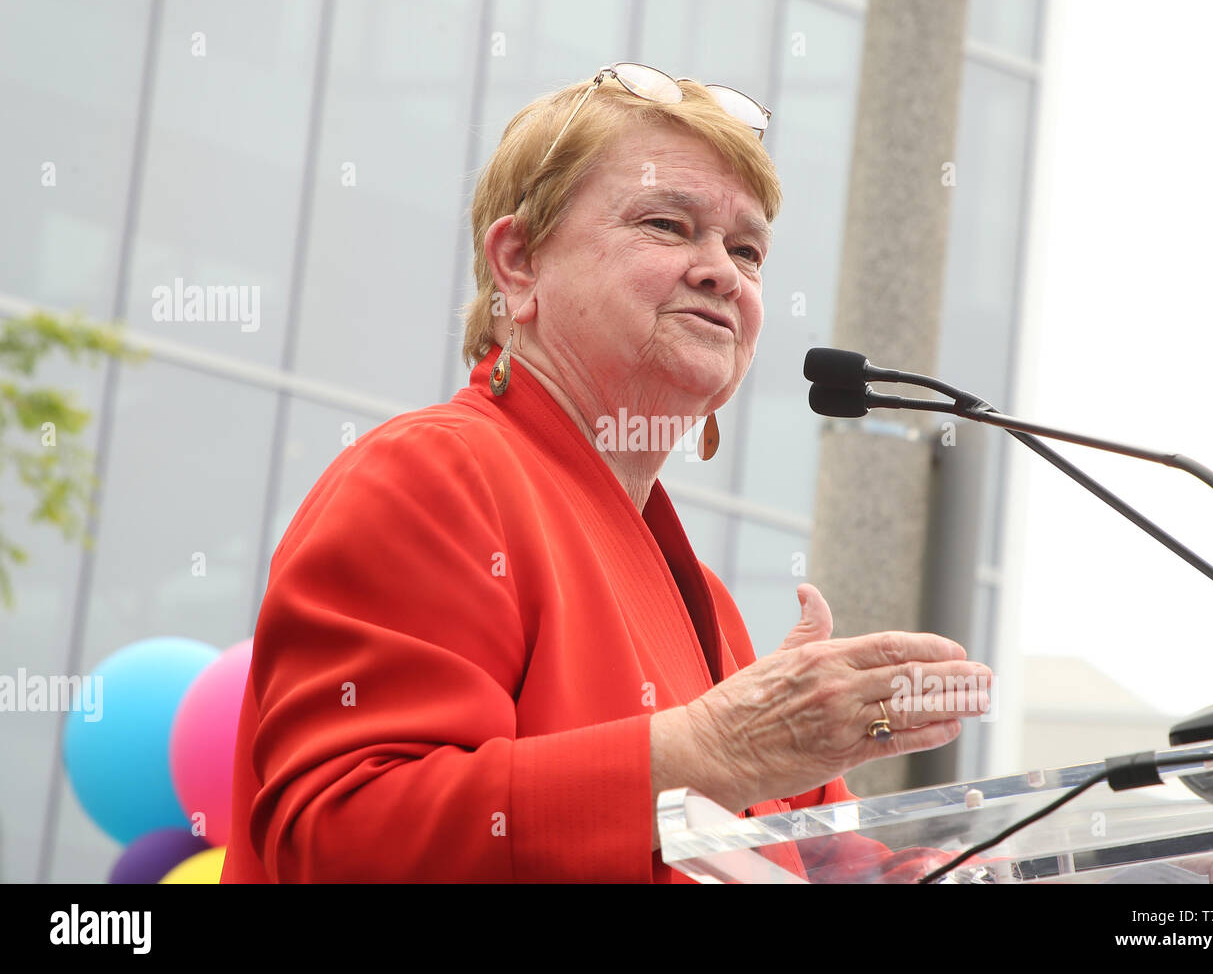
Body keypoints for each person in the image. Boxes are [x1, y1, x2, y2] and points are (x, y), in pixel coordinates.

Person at [220, 62, 992, 884]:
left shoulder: (715, 610)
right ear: (518, 263)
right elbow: (349, 844)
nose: (722, 272)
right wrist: (707, 753)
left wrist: (952, 869)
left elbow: (810, 863)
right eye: (667, 225)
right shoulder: (432, 476)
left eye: (747, 249)